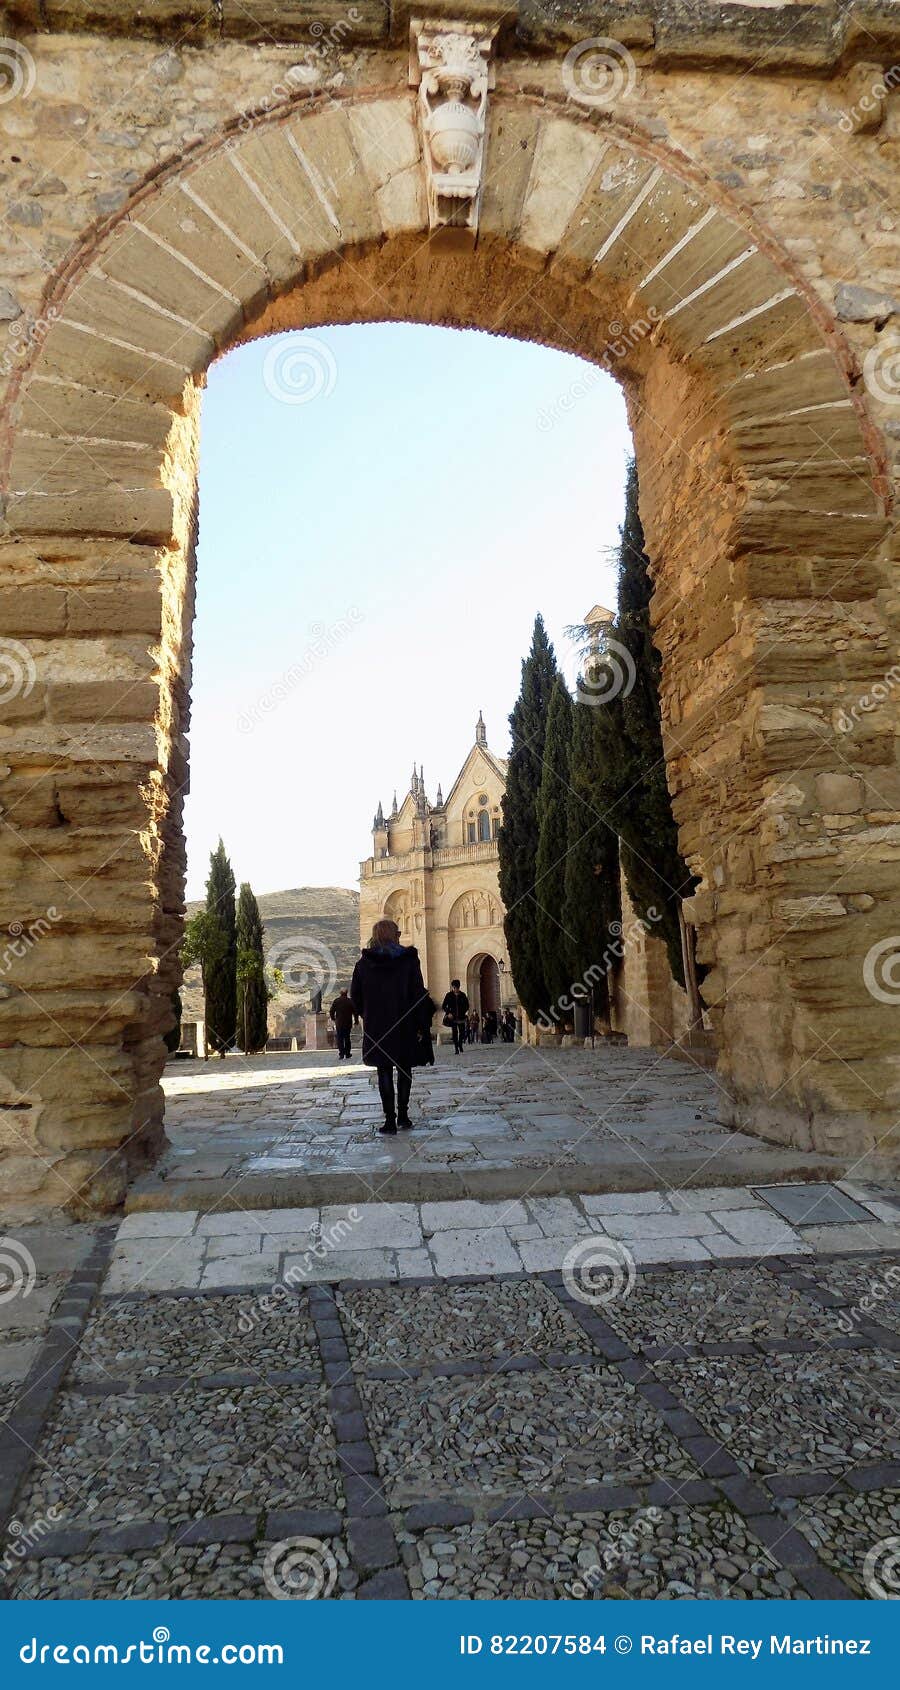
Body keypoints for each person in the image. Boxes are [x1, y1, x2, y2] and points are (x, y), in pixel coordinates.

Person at [350, 919, 431, 1135]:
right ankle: (403, 1115)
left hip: (378, 1027)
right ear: (394, 935)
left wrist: (365, 1014)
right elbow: (418, 993)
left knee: (383, 1070)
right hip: (405, 1024)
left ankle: (389, 1121)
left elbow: (355, 997)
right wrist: (421, 1022)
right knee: (405, 1070)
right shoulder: (409, 961)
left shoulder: (363, 964)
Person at [442, 979, 469, 1055]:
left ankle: (460, 1044)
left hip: (461, 1017)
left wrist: (463, 1011)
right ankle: (456, 1048)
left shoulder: (463, 995)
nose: (455, 989)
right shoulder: (449, 995)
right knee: (454, 1033)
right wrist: (448, 1013)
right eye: (454, 987)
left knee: (462, 1033)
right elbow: (444, 1006)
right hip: (452, 1018)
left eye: (456, 987)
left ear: (459, 987)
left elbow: (467, 1005)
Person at [329, 988, 357, 1060]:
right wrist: (356, 1021)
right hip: (348, 1023)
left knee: (340, 1038)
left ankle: (341, 1054)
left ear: (340, 993)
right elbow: (355, 1012)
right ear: (347, 993)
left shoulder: (336, 1001)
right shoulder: (350, 1001)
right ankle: (347, 1054)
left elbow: (331, 1011)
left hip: (339, 1023)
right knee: (347, 1038)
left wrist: (333, 1019)